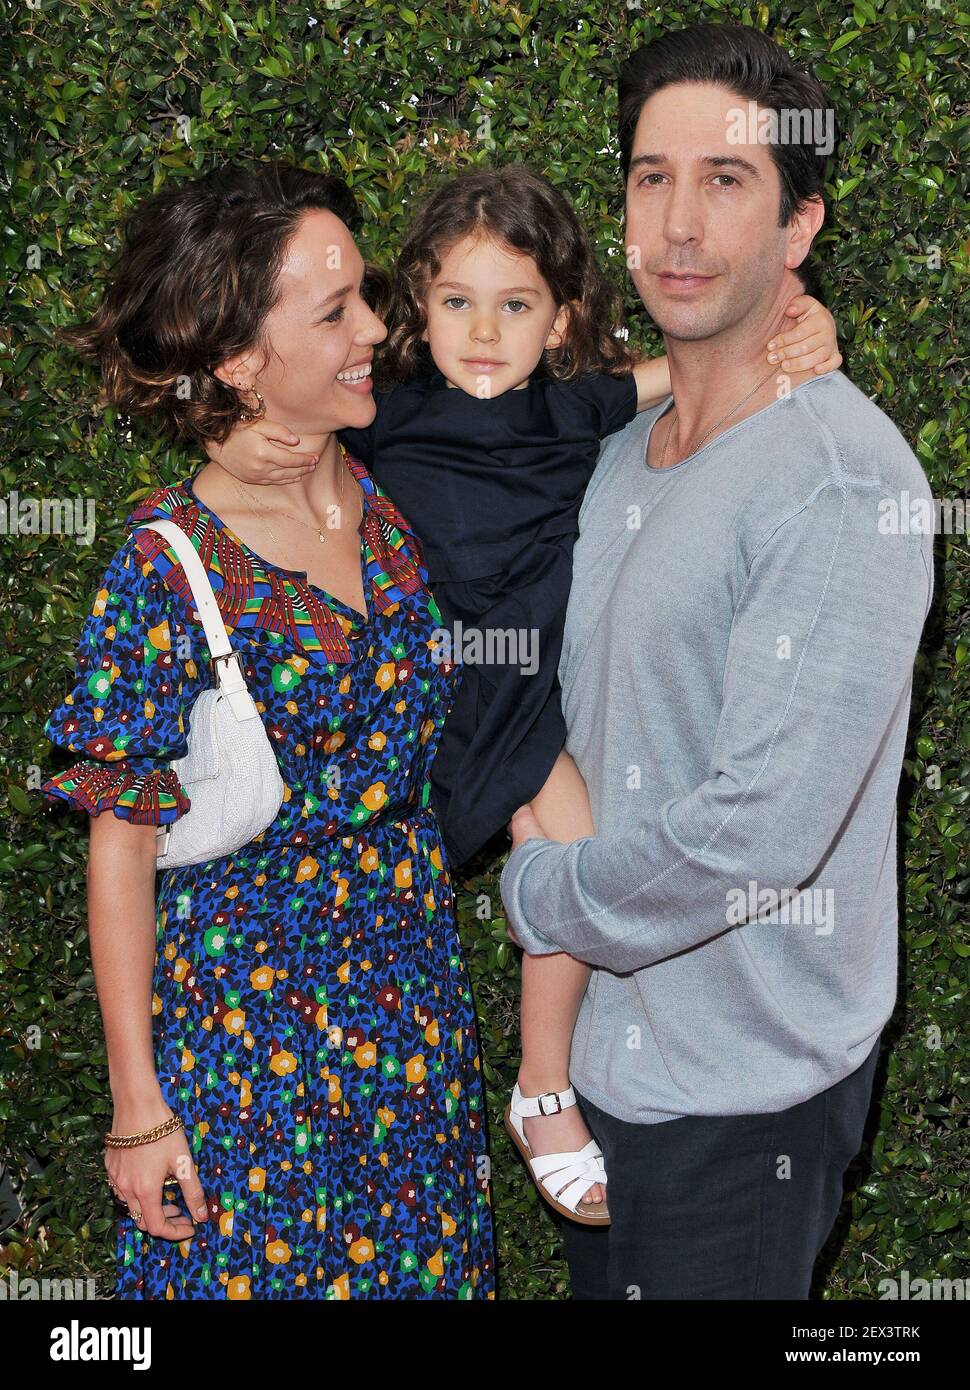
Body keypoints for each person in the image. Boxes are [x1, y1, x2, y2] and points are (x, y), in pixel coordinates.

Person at [202, 163, 840, 1225]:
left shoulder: (573, 406)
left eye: (515, 305)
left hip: (524, 703)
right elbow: (271, 423)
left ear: (559, 321)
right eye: (456, 302)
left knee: (575, 845)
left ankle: (542, 1087)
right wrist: (245, 430)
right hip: (412, 710)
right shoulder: (384, 416)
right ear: (418, 308)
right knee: (362, 912)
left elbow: (708, 368)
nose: (484, 330)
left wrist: (800, 326)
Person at [500, 23, 935, 1299]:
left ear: (800, 229)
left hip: (745, 1105)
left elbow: (755, 838)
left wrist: (538, 901)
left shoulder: (844, 488)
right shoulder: (607, 457)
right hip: (608, 1072)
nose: (678, 226)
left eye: (727, 181)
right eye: (651, 177)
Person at [39, 162, 494, 1299]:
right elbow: (121, 846)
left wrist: (786, 333)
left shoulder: (390, 476)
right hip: (246, 1045)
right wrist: (138, 1112)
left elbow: (564, 401)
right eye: (334, 311)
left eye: (367, 297)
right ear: (242, 360)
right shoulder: (163, 564)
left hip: (411, 1011)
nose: (376, 331)